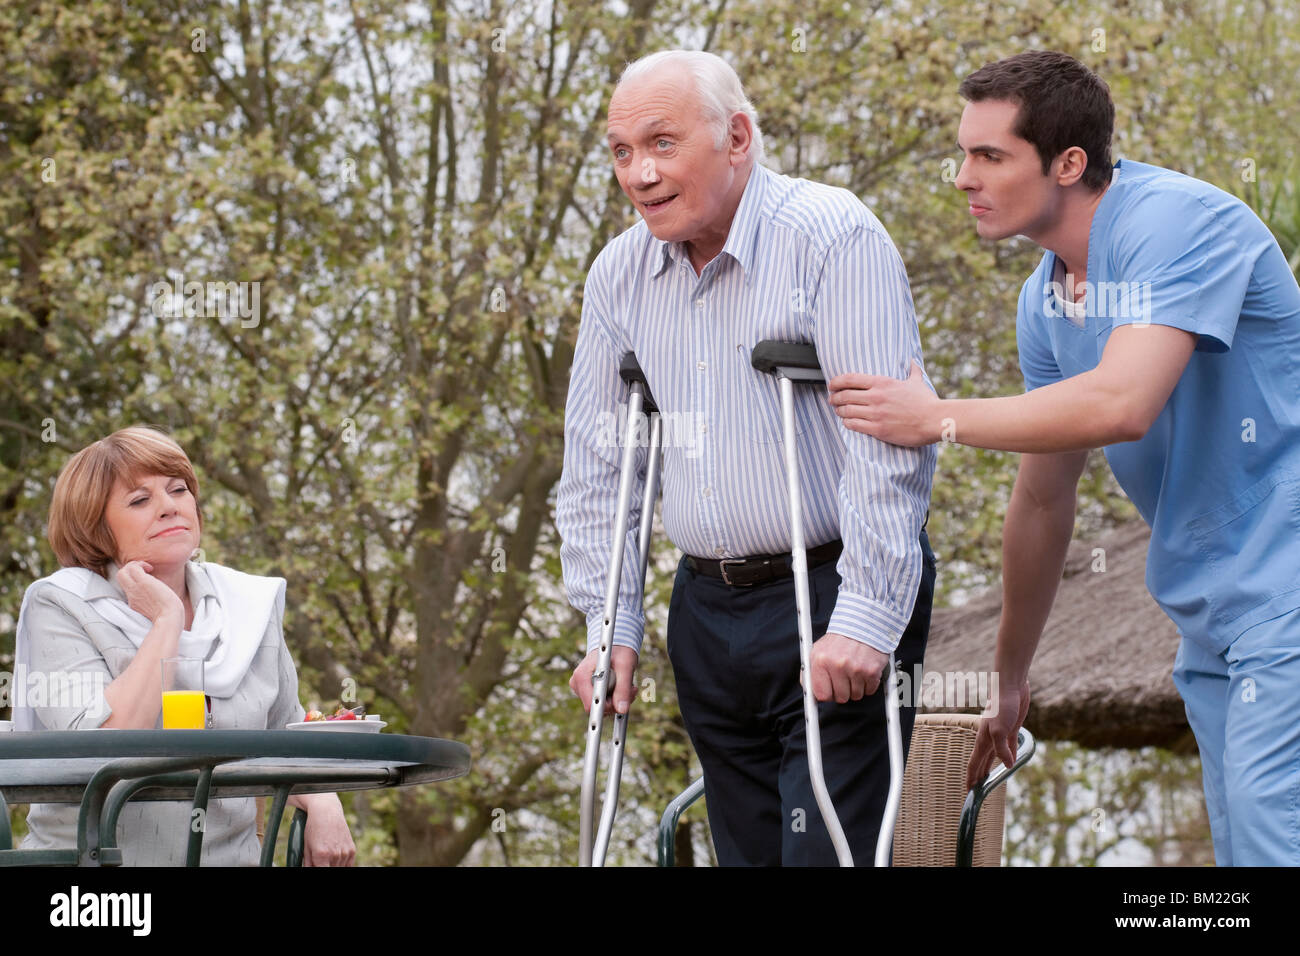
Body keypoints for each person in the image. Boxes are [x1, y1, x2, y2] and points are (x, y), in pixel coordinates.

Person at [828, 50, 1300, 866]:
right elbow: (1045, 501)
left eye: (990, 156)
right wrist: (1012, 677)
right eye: (964, 153)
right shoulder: (1043, 300)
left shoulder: (1178, 224)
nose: (963, 177)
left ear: (1069, 163)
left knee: (1270, 838)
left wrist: (935, 418)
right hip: (1210, 618)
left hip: (1286, 593)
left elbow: (1121, 403)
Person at [557, 49, 937, 865]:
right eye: (621, 152)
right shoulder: (619, 276)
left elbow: (888, 445)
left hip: (830, 590)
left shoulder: (832, 237)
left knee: (826, 853)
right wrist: (609, 622)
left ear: (737, 137)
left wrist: (868, 621)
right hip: (705, 610)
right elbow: (597, 466)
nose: (639, 173)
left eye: (661, 143)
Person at [13, 425, 356, 866]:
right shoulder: (60, 604)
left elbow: (288, 736)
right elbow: (106, 744)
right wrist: (167, 619)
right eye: (140, 500)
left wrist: (324, 801)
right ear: (96, 530)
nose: (169, 506)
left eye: (178, 490)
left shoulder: (247, 604)